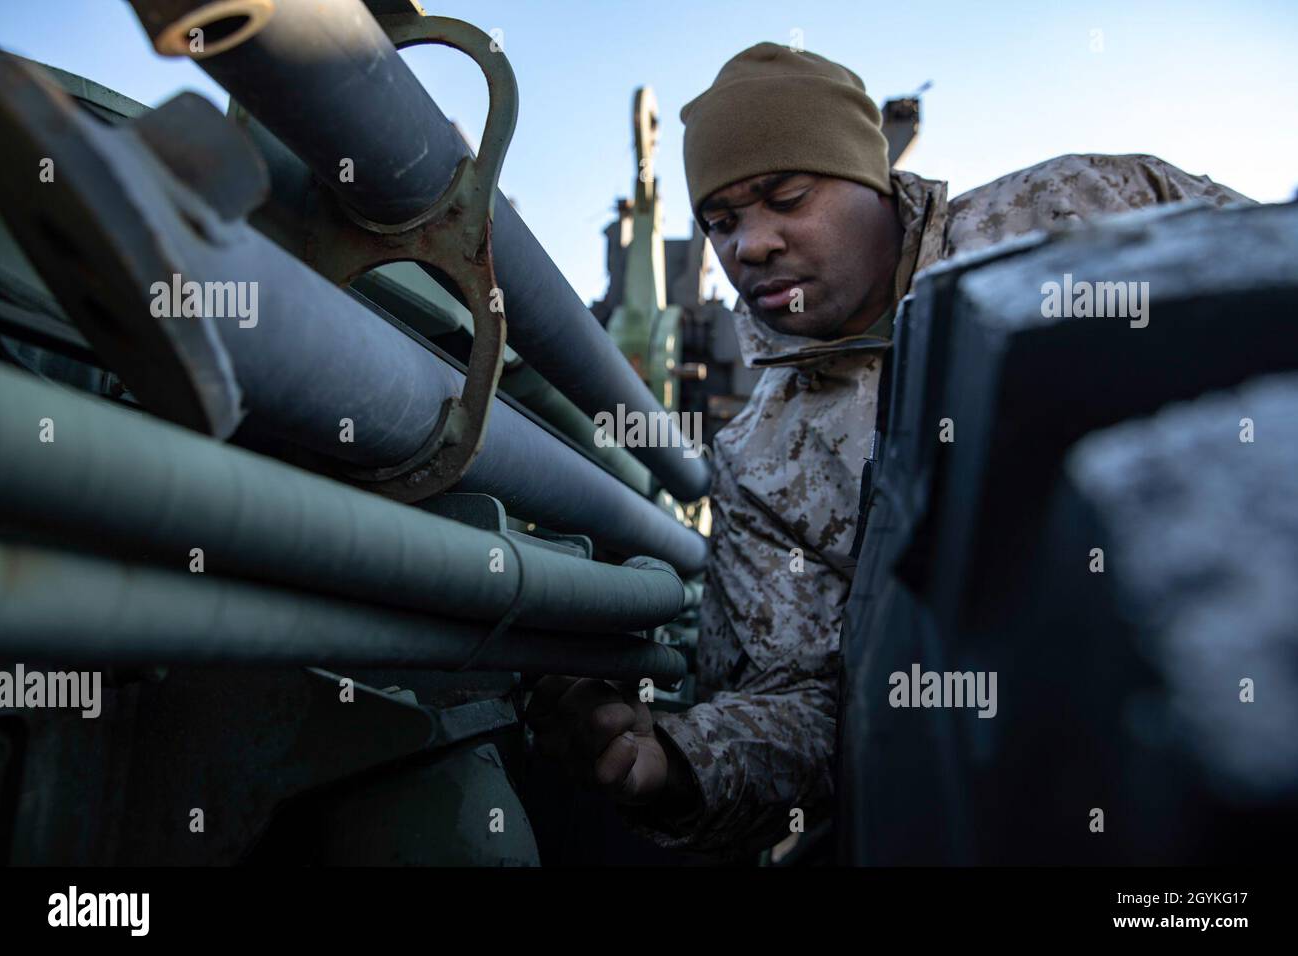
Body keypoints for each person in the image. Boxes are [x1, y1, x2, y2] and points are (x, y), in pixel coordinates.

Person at [526, 42, 1251, 860]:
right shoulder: (758, 458)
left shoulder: (1077, 210)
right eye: (720, 222)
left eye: (786, 197)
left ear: (871, 178)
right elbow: (815, 702)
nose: (750, 245)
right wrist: (679, 760)